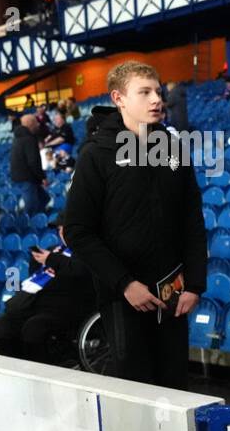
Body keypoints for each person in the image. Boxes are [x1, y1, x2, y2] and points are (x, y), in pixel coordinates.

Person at [62, 61, 207, 390]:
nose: (157, 99)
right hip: (123, 297)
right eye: (145, 92)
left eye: (158, 91)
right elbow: (78, 231)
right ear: (119, 98)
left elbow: (192, 221)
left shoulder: (174, 148)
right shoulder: (96, 154)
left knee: (174, 389)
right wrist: (125, 284)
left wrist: (196, 284)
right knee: (136, 391)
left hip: (174, 295)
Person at [0, 221, 96, 365]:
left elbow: (81, 273)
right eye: (60, 230)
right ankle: (12, 371)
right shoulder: (53, 250)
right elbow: (34, 276)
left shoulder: (89, 251)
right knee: (2, 324)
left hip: (67, 306)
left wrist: (53, 260)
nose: (62, 233)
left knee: (34, 328)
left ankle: (39, 375)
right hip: (38, 302)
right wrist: (38, 262)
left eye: (65, 229)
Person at [10, 114, 48, 213]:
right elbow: (33, 161)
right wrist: (42, 177)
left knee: (44, 199)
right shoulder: (29, 139)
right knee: (32, 207)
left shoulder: (17, 138)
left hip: (21, 176)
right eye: (35, 122)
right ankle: (31, 225)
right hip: (27, 178)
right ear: (30, 124)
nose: (38, 124)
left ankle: (41, 221)